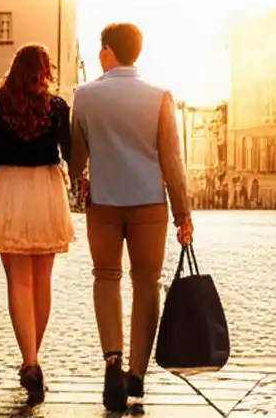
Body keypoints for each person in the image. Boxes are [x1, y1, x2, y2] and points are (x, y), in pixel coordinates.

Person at [68, 23, 193, 412]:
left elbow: (76, 156)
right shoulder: (159, 96)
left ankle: (112, 361)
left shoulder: (85, 96)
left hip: (103, 202)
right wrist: (182, 214)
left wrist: (79, 180)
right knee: (146, 283)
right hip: (149, 205)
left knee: (106, 277)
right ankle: (136, 373)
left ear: (107, 51)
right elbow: (172, 160)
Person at [0, 44, 75, 407]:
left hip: (8, 190)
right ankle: (33, 359)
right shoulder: (56, 107)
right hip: (46, 190)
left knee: (19, 281)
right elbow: (70, 152)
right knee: (42, 280)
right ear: (45, 70)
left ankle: (30, 360)